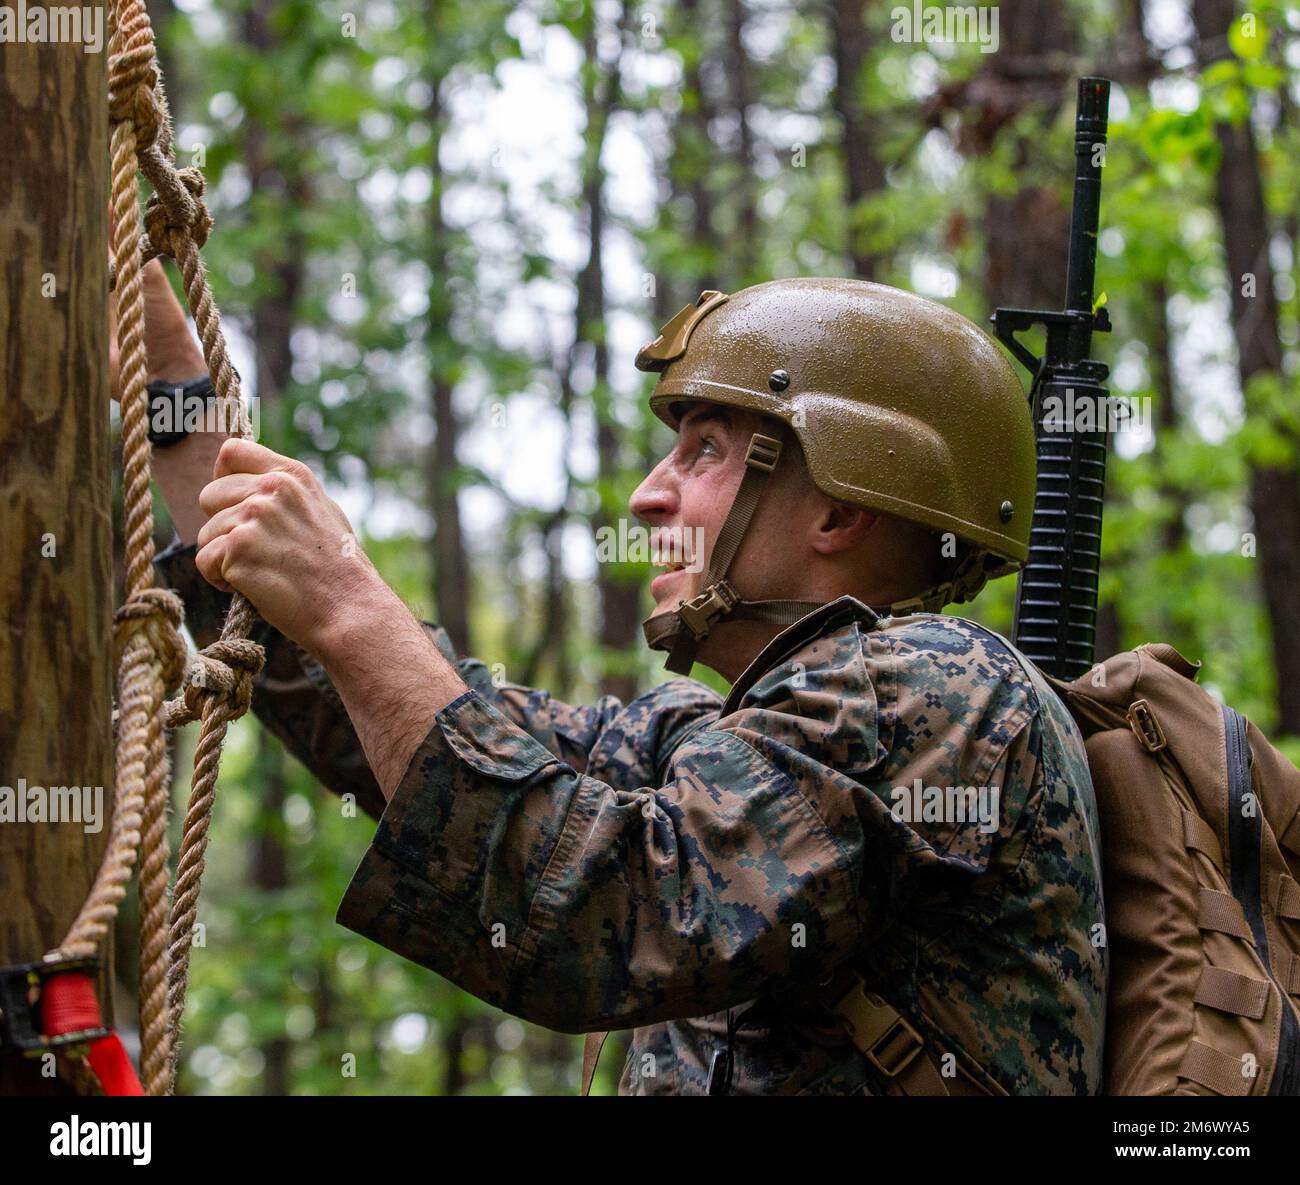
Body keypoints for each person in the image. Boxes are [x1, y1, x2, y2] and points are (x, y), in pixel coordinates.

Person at [119, 266, 1106, 1095]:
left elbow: (600, 906)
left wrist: (347, 596)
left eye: (707, 448)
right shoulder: (735, 739)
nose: (648, 493)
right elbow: (433, 745)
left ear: (840, 511)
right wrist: (175, 395)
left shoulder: (931, 687)